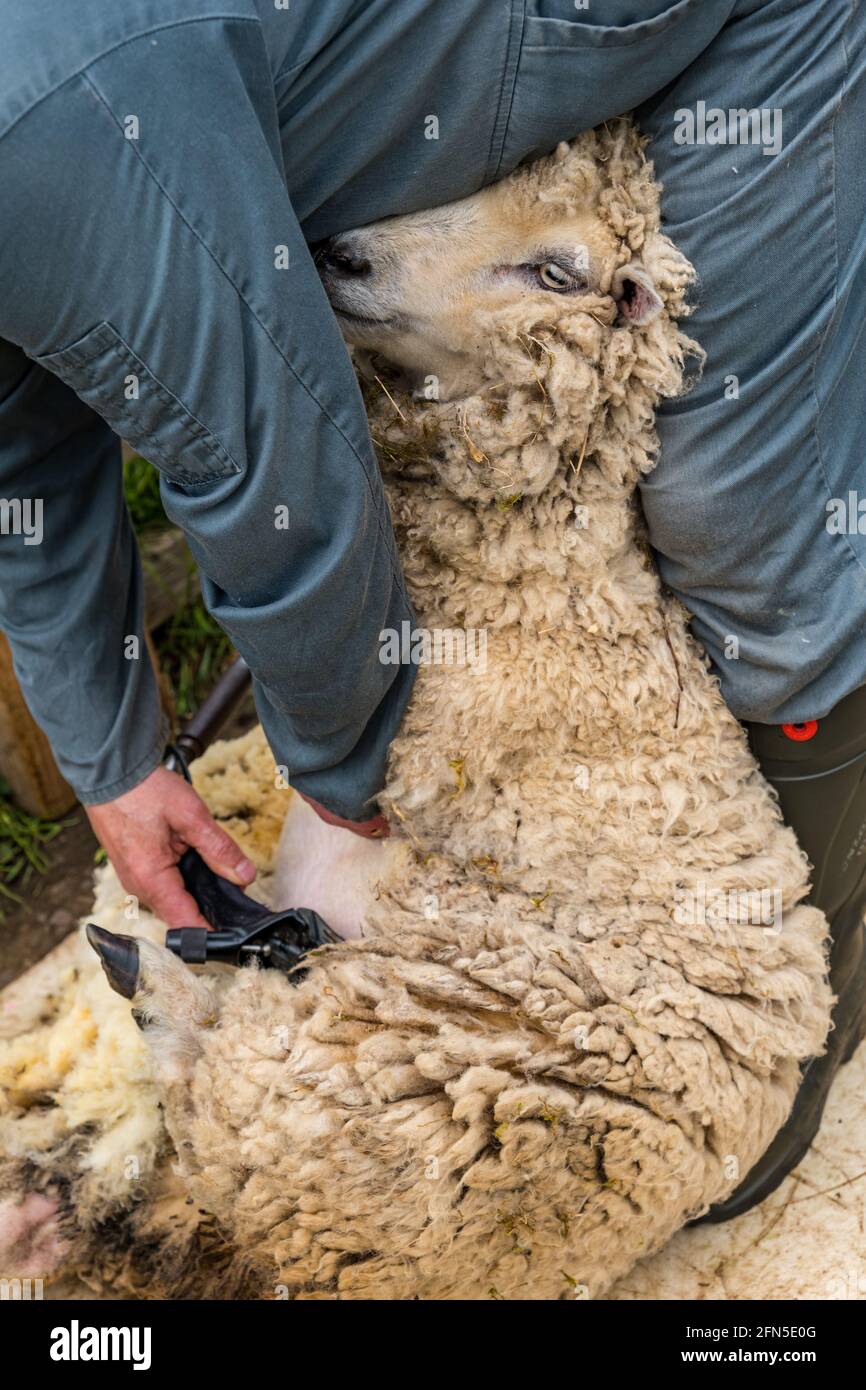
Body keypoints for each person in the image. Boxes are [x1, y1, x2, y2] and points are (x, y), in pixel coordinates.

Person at [1, 0, 864, 1218]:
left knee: (729, 507)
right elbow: (20, 444)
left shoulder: (48, 120)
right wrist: (109, 757)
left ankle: (789, 974)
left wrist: (346, 786)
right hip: (377, 126)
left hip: (724, 23)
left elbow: (275, 468)